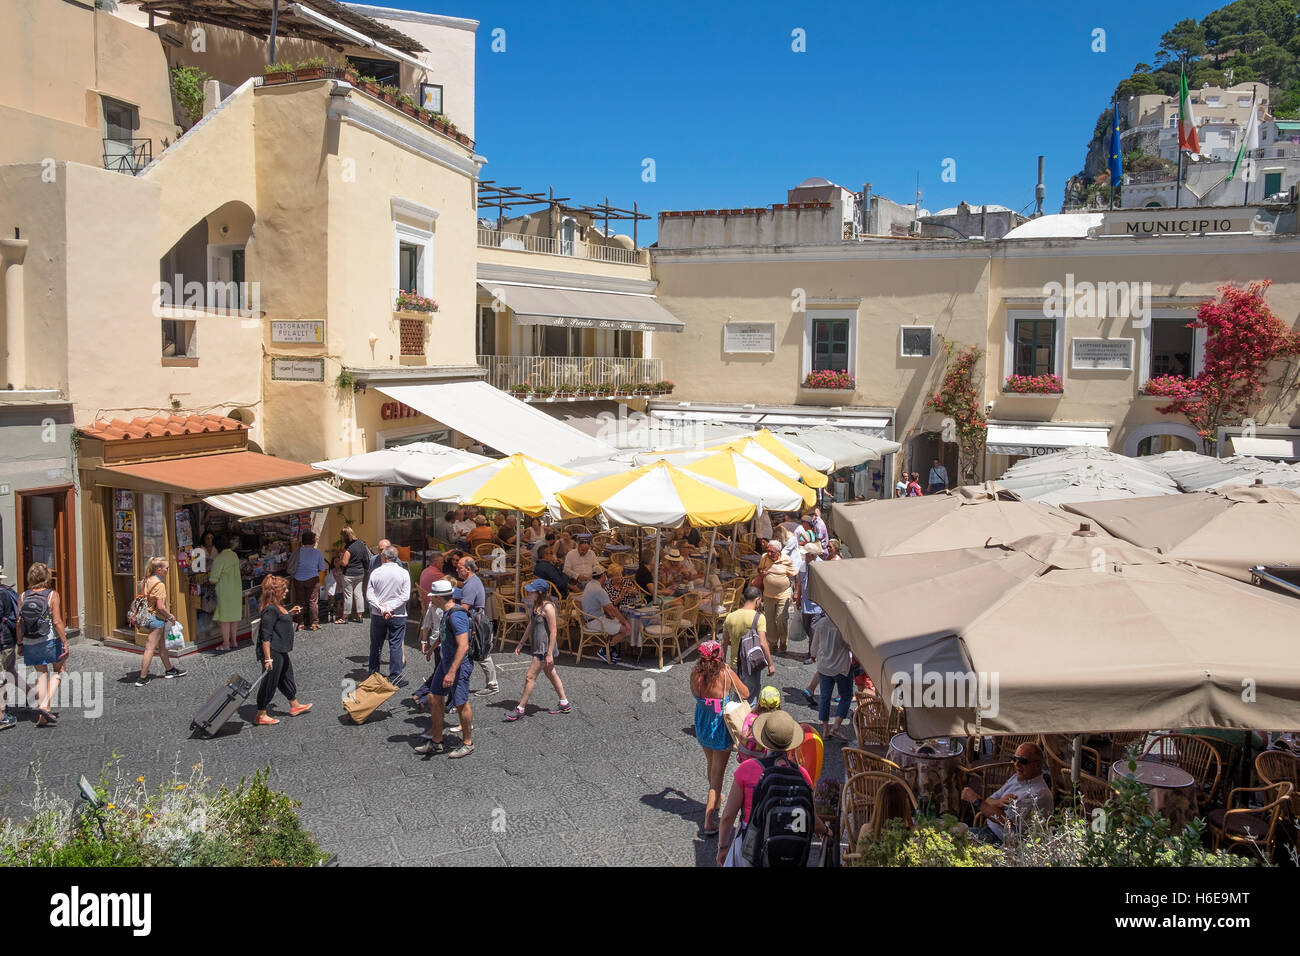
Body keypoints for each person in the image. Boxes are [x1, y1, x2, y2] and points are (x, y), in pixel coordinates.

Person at [716, 710, 823, 867]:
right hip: (788, 848)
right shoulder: (802, 774)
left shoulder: (747, 769)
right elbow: (811, 817)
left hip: (750, 843)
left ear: (764, 741)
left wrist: (723, 847)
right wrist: (826, 830)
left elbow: (728, 816)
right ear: (790, 744)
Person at [690, 640, 748, 836]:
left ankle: (714, 800)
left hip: (702, 723)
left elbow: (694, 694)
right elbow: (746, 693)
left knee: (711, 764)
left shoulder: (695, 674)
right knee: (717, 775)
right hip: (719, 726)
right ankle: (708, 820)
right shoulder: (726, 673)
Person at [414, 584, 475, 759]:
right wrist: (433, 648)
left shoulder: (457, 616)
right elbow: (444, 634)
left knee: (461, 702)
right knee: (434, 697)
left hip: (458, 665)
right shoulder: (446, 613)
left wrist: (452, 672)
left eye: (432, 596)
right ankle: (437, 741)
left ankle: (468, 743)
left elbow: (463, 646)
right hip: (446, 662)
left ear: (440, 598)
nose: (430, 599)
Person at [960, 741, 1054, 844]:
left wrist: (976, 800)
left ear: (1038, 765)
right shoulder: (1019, 778)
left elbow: (1006, 822)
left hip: (1001, 843)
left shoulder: (1037, 794)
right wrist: (999, 803)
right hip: (989, 830)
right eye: (1015, 759)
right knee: (948, 833)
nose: (1016, 764)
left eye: (1022, 761)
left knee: (952, 840)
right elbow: (989, 800)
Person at [505, 579, 571, 721]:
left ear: (539, 592)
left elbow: (553, 632)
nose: (528, 592)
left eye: (531, 591)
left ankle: (520, 708)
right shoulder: (537, 605)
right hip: (538, 646)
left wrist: (549, 653)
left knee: (530, 677)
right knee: (551, 673)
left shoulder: (548, 607)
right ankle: (564, 702)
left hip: (543, 648)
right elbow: (531, 624)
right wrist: (521, 643)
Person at [252, 575, 311, 725]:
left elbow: (279, 620)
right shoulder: (269, 610)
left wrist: (290, 613)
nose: (286, 591)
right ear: (275, 591)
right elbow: (265, 636)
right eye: (283, 589)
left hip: (280, 649)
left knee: (286, 676)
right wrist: (268, 658)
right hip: (273, 651)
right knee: (270, 680)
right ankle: (261, 713)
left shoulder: (277, 606)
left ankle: (294, 705)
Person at [17, 564, 69, 725]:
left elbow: (19, 622)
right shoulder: (52, 595)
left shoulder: (23, 596)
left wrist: (20, 643)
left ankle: (42, 713)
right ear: (46, 577)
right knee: (59, 670)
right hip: (49, 639)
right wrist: (65, 643)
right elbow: (57, 621)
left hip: (30, 640)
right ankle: (44, 707)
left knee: (41, 674)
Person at [134, 557, 185, 687]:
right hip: (156, 619)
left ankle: (169, 669)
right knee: (150, 647)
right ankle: (142, 677)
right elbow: (161, 606)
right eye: (166, 568)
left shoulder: (146, 580)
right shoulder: (160, 585)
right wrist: (170, 616)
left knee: (162, 645)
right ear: (159, 569)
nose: (168, 570)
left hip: (147, 616)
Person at [456, 556, 500, 696]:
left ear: (468, 569)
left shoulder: (470, 584)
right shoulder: (472, 581)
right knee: (478, 652)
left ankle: (492, 686)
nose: (457, 570)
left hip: (475, 622)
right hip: (477, 620)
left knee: (481, 653)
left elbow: (465, 607)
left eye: (459, 568)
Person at [365, 546, 409, 685]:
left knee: (376, 644)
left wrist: (382, 608)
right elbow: (405, 596)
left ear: (384, 557)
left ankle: (373, 675)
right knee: (395, 644)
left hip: (378, 614)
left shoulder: (376, 572)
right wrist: (390, 608)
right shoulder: (403, 573)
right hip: (398, 614)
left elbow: (369, 595)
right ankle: (395, 677)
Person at [721, 585, 773, 703]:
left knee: (737, 696)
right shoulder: (759, 618)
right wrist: (770, 664)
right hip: (751, 665)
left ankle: (734, 719)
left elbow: (724, 642)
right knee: (751, 699)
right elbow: (763, 643)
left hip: (734, 665)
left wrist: (723, 661)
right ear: (757, 600)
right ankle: (747, 721)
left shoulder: (730, 616)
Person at [809, 614, 853, 741]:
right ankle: (836, 727)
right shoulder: (843, 626)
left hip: (824, 666)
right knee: (846, 696)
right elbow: (850, 646)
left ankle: (825, 729)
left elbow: (815, 644)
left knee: (824, 697)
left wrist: (813, 655)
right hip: (841, 666)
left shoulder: (822, 623)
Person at [581, 566, 630, 663]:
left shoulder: (589, 584)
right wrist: (625, 622)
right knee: (626, 630)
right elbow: (612, 608)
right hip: (595, 621)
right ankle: (605, 650)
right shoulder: (599, 590)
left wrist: (614, 616)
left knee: (616, 621)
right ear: (603, 575)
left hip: (590, 619)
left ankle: (610, 650)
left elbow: (606, 607)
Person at [757, 539, 795, 655]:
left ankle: (783, 640)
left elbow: (795, 575)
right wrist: (761, 573)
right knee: (769, 620)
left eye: (771, 552)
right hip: (768, 594)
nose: (769, 554)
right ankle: (773, 643)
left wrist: (797, 592)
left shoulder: (787, 560)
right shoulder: (764, 557)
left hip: (783, 593)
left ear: (778, 552)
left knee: (781, 619)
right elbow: (759, 569)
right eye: (767, 551)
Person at [207, 534, 243, 651]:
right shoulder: (234, 555)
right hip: (236, 589)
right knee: (233, 618)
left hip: (225, 592)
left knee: (225, 619)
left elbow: (213, 580)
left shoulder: (220, 558)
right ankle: (234, 641)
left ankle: (226, 644)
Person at [0, 566, 25, 730]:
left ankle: (1, 715)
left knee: (4, 676)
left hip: (3, 641)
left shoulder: (1, 594)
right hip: (8, 640)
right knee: (8, 673)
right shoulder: (5, 592)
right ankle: (4, 708)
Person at [289, 531, 328, 631]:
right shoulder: (317, 553)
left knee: (300, 601)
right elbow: (322, 568)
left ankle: (300, 623)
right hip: (312, 579)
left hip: (298, 579)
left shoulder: (297, 551)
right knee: (313, 602)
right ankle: (314, 623)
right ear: (313, 541)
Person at [738, 685, 784, 761]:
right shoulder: (775, 721)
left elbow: (743, 734)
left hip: (745, 754)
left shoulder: (750, 716)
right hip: (762, 758)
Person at [338, 527, 369, 622]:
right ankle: (360, 616)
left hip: (349, 574)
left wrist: (340, 560)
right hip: (360, 573)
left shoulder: (348, 548)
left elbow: (344, 563)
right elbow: (365, 559)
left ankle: (345, 617)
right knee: (359, 594)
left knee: (348, 595)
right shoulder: (361, 544)